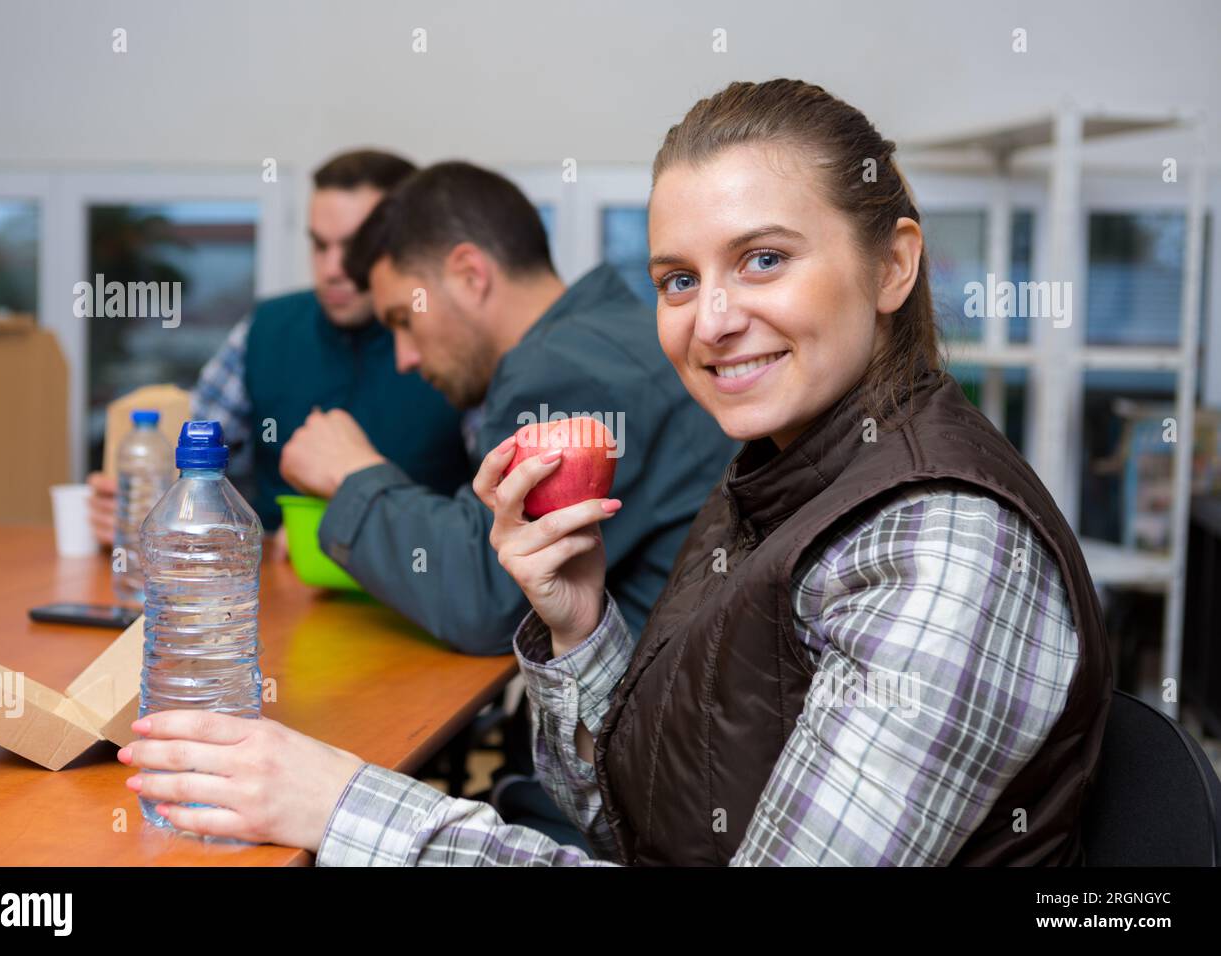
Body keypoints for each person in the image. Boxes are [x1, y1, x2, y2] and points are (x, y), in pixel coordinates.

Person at [119, 78, 1112, 866]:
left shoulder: (936, 544)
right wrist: (579, 622)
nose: (708, 319)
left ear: (893, 266)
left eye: (762, 259)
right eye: (677, 278)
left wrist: (345, 803)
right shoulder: (772, 475)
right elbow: (643, 821)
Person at [277, 161, 736, 654]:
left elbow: (486, 598)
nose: (403, 358)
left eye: (404, 319)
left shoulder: (566, 369)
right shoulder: (605, 334)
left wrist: (352, 474)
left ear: (471, 275)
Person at [86, 149, 470, 542]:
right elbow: (195, 465)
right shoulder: (266, 328)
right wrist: (144, 502)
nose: (333, 269)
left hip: (412, 596)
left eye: (357, 248)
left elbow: (483, 530)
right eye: (320, 246)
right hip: (267, 588)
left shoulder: (457, 345)